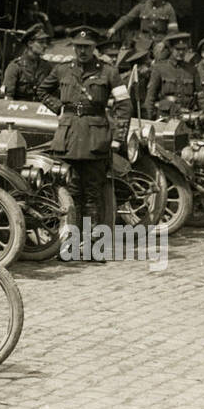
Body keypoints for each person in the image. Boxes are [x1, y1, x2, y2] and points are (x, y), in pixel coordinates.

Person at [35, 27, 131, 261]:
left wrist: (118, 138)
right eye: (78, 47)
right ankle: (69, 247)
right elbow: (41, 90)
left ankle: (91, 249)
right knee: (69, 194)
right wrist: (60, 108)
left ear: (94, 48)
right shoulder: (62, 70)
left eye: (87, 47)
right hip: (68, 139)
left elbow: (124, 105)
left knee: (92, 195)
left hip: (95, 140)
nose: (82, 51)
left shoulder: (108, 72)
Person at [106, 0, 179, 54]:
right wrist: (114, 28)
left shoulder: (167, 8)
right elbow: (127, 18)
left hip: (160, 43)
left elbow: (174, 31)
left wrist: (164, 43)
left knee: (161, 60)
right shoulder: (142, 6)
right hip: (143, 43)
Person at [144, 32, 197, 119]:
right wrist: (148, 120)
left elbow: (200, 96)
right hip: (165, 117)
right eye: (177, 49)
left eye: (184, 49)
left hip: (187, 118)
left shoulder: (192, 70)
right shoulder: (160, 68)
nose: (181, 52)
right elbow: (150, 97)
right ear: (171, 49)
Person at [2, 25, 53, 102]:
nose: (45, 46)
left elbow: (53, 93)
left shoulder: (46, 67)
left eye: (45, 43)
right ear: (30, 43)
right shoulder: (15, 67)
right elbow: (7, 97)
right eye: (41, 42)